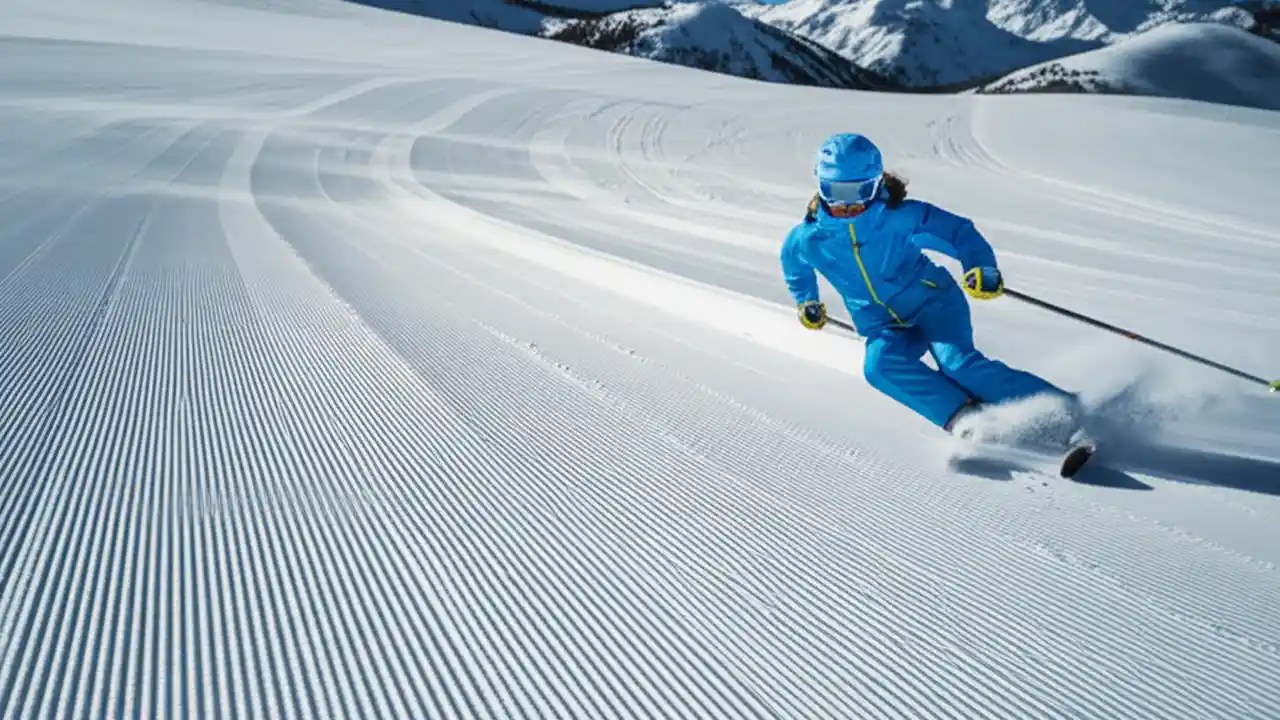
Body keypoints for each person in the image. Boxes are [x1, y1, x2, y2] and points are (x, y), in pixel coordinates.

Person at [780, 132, 1072, 433]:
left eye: (859, 191)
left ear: (876, 183)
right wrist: (807, 301)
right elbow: (794, 266)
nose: (846, 203)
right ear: (820, 184)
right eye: (834, 190)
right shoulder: (807, 239)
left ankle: (1066, 412)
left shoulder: (900, 217)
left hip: (933, 304)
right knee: (879, 367)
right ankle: (969, 419)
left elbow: (958, 232)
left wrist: (980, 267)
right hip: (882, 324)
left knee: (958, 365)